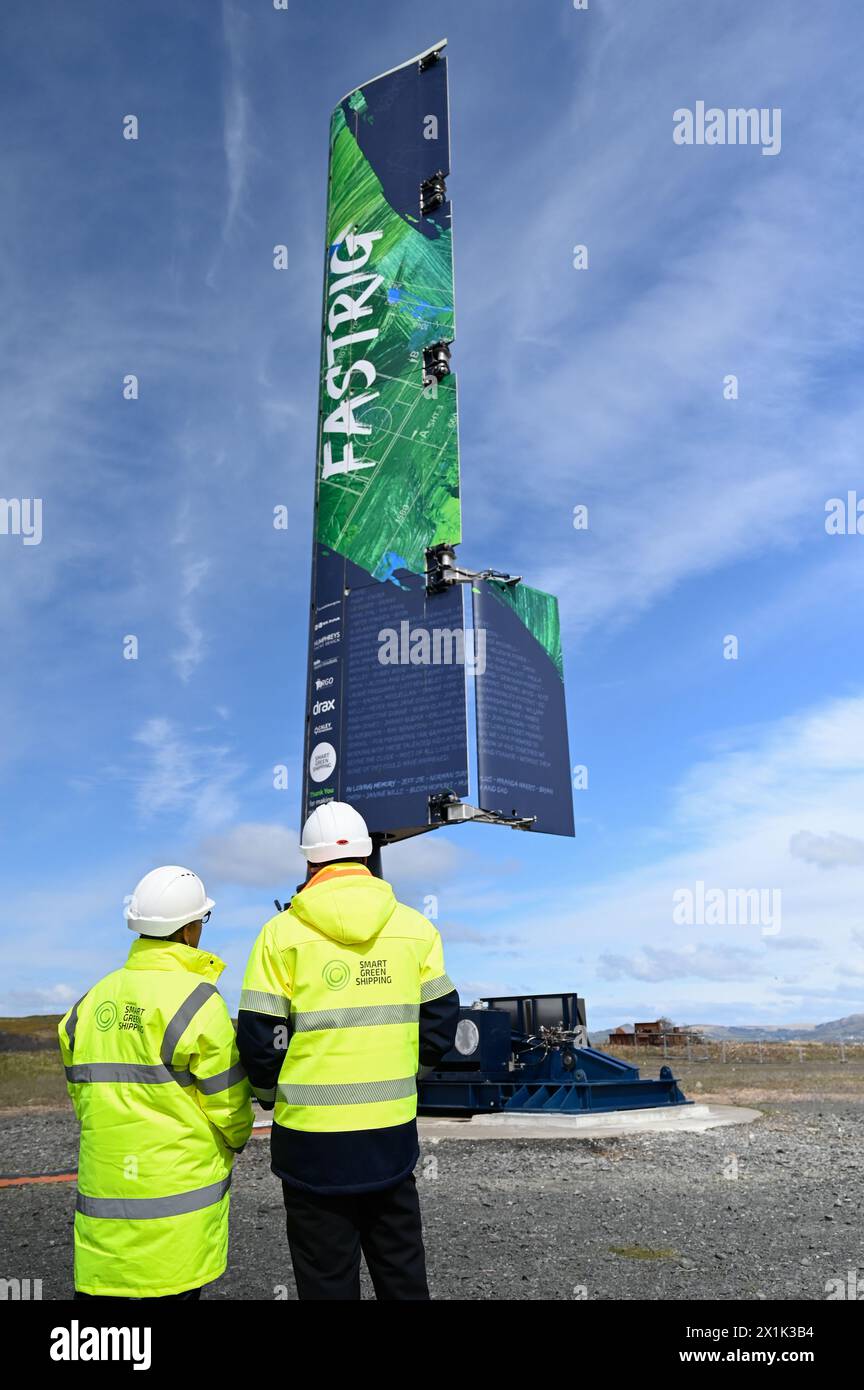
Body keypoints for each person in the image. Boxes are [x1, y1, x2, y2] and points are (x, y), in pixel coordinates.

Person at [237, 801, 460, 1300]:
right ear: (365, 855)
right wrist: (408, 1073)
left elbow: (260, 1036)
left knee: (326, 1281)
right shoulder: (415, 929)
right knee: (402, 1273)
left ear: (309, 862)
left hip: (310, 1146)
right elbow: (441, 1022)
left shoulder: (279, 936)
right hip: (390, 1140)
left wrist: (271, 1094)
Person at [58, 865, 253, 1299]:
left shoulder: (88, 1003)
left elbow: (84, 1100)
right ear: (188, 930)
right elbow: (229, 1107)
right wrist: (231, 1144)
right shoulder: (198, 1000)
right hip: (176, 1223)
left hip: (102, 1227)